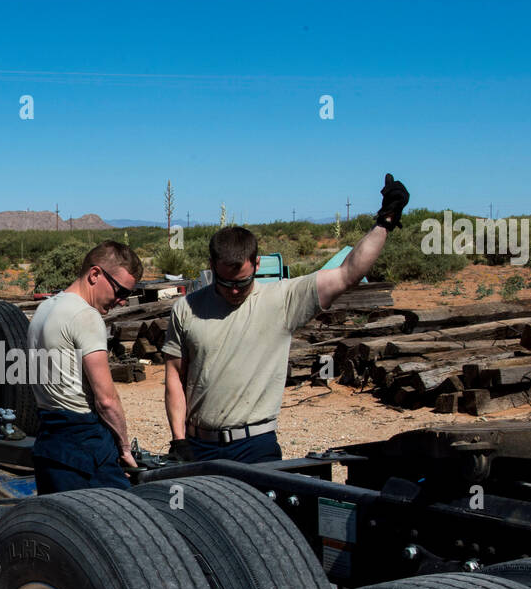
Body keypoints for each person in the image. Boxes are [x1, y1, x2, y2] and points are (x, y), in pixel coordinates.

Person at [164, 173, 409, 464]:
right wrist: (179, 441)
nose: (233, 290)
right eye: (225, 281)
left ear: (256, 263)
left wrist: (385, 222)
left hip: (255, 445)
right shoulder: (186, 308)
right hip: (198, 444)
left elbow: (349, 273)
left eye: (242, 282)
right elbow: (174, 378)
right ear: (211, 266)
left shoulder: (283, 299)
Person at [28, 240, 143, 493]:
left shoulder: (44, 309)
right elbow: (106, 400)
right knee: (122, 520)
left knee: (63, 525)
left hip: (49, 443)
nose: (122, 301)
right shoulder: (85, 315)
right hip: (83, 442)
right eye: (120, 292)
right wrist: (123, 448)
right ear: (95, 274)